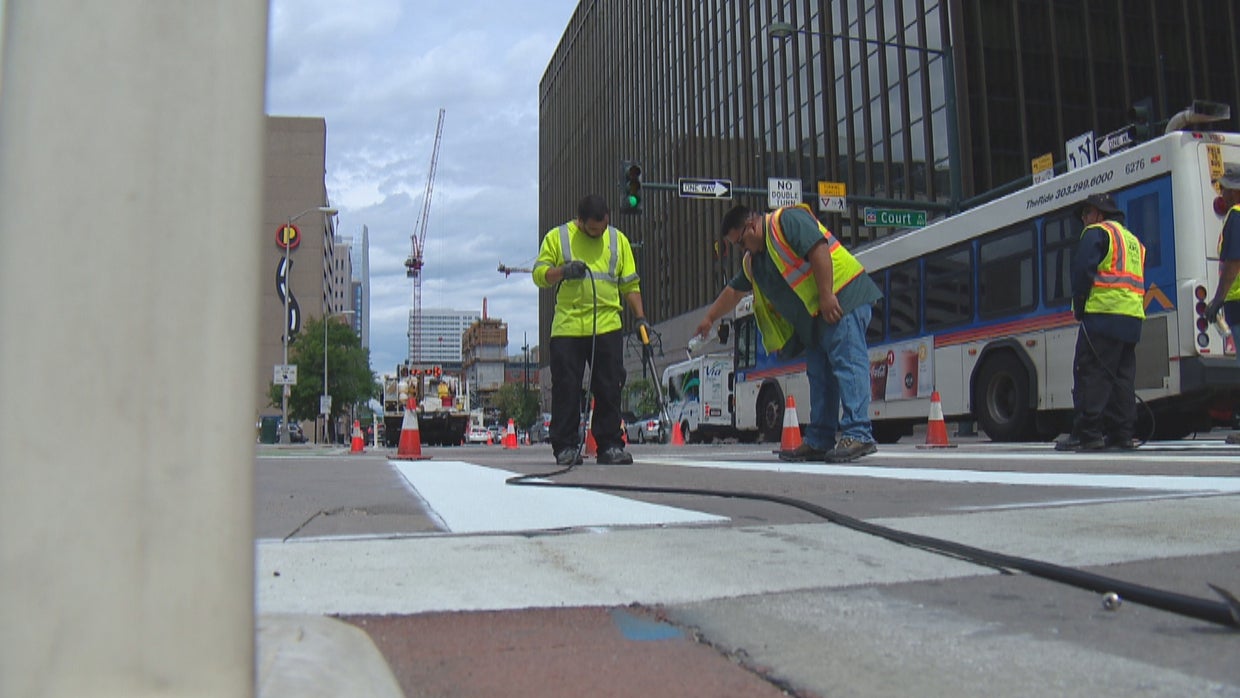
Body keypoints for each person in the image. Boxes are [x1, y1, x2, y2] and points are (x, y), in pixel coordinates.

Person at [695, 203, 882, 463]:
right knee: (820, 375)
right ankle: (819, 439)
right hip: (816, 317)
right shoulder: (755, 262)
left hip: (842, 297)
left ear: (751, 225)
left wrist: (827, 295)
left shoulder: (785, 222)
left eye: (741, 241)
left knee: (848, 364)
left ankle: (858, 432)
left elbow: (819, 249)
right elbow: (734, 291)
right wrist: (709, 318)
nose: (742, 249)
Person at [533, 194, 648, 465]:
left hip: (607, 325)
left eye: (603, 228)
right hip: (568, 327)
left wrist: (640, 318)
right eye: (592, 230)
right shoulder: (558, 237)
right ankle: (566, 447)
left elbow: (630, 284)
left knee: (609, 387)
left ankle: (609, 446)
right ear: (580, 221)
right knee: (566, 389)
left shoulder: (618, 240)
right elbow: (539, 275)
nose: (598, 234)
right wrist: (562, 272)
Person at [1055, 192, 1146, 452]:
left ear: (1098, 213)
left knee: (1090, 372)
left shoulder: (1097, 232)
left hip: (1103, 316)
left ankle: (1089, 434)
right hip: (1132, 320)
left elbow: (1083, 271)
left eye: (1086, 213)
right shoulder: (1133, 242)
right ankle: (1122, 435)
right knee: (1121, 379)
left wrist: (1080, 305)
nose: (1084, 219)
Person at [1204, 165, 1240, 444]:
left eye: (1226, 188)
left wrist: (1217, 299)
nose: (1223, 193)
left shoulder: (1236, 217)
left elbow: (1233, 262)